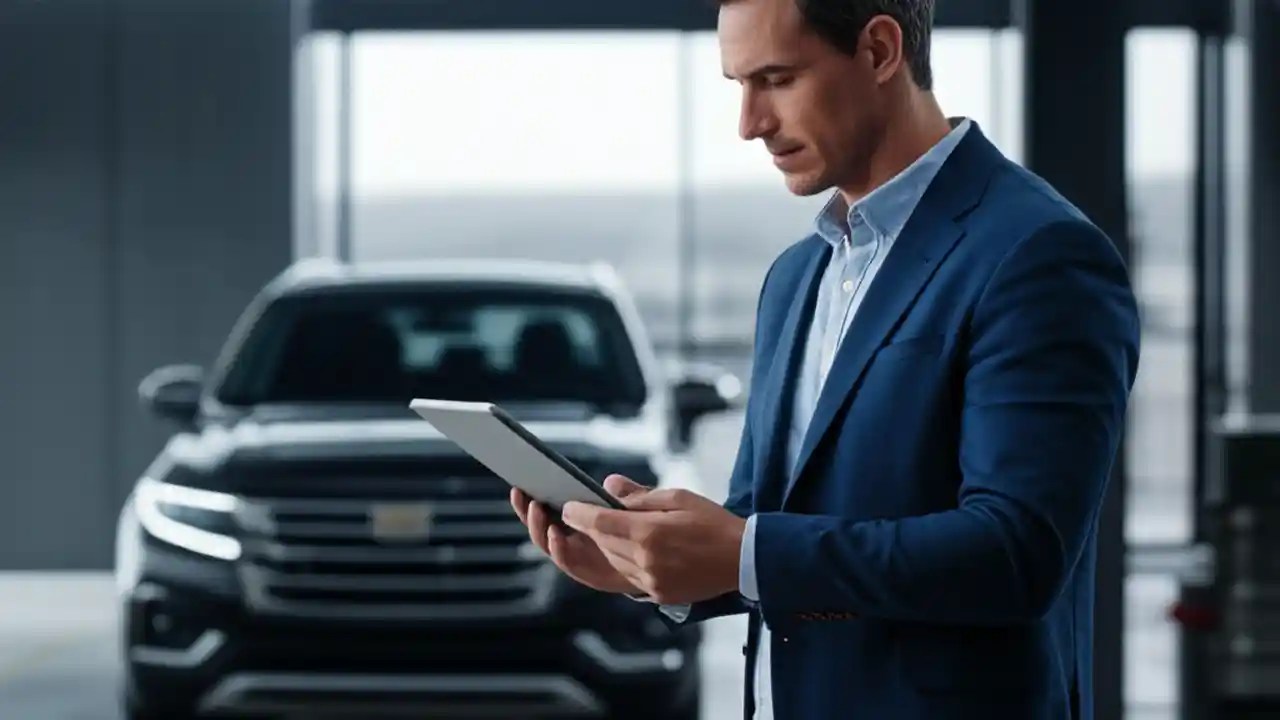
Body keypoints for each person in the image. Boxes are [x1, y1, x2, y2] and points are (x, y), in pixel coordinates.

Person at [512, 0, 1141, 717]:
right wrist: (648, 566)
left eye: (777, 79)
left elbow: (1015, 553)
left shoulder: (1038, 253)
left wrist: (745, 552)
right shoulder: (794, 277)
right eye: (739, 85)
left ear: (879, 50)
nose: (750, 122)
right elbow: (766, 525)